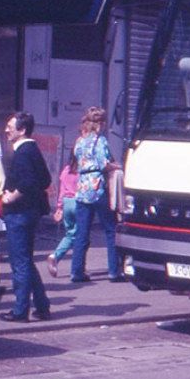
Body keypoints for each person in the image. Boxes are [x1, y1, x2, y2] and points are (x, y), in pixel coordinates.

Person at [0, 112, 52, 323]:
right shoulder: (33, 150)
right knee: (26, 262)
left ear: (22, 130)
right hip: (31, 213)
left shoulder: (22, 153)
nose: (6, 130)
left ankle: (20, 310)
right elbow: (45, 178)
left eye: (10, 127)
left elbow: (28, 182)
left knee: (19, 263)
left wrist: (11, 197)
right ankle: (42, 306)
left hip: (19, 214)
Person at [69, 106, 123, 283]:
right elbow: (103, 163)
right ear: (100, 123)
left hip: (82, 188)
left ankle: (77, 271)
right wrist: (118, 166)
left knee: (82, 232)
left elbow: (77, 162)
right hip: (98, 187)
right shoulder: (100, 141)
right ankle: (114, 271)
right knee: (110, 229)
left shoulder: (79, 141)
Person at [46, 150, 79, 277]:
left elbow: (62, 191)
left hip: (66, 203)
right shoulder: (82, 171)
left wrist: (59, 208)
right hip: (78, 202)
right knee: (80, 236)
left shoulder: (66, 170)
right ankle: (77, 266)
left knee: (70, 233)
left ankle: (55, 256)